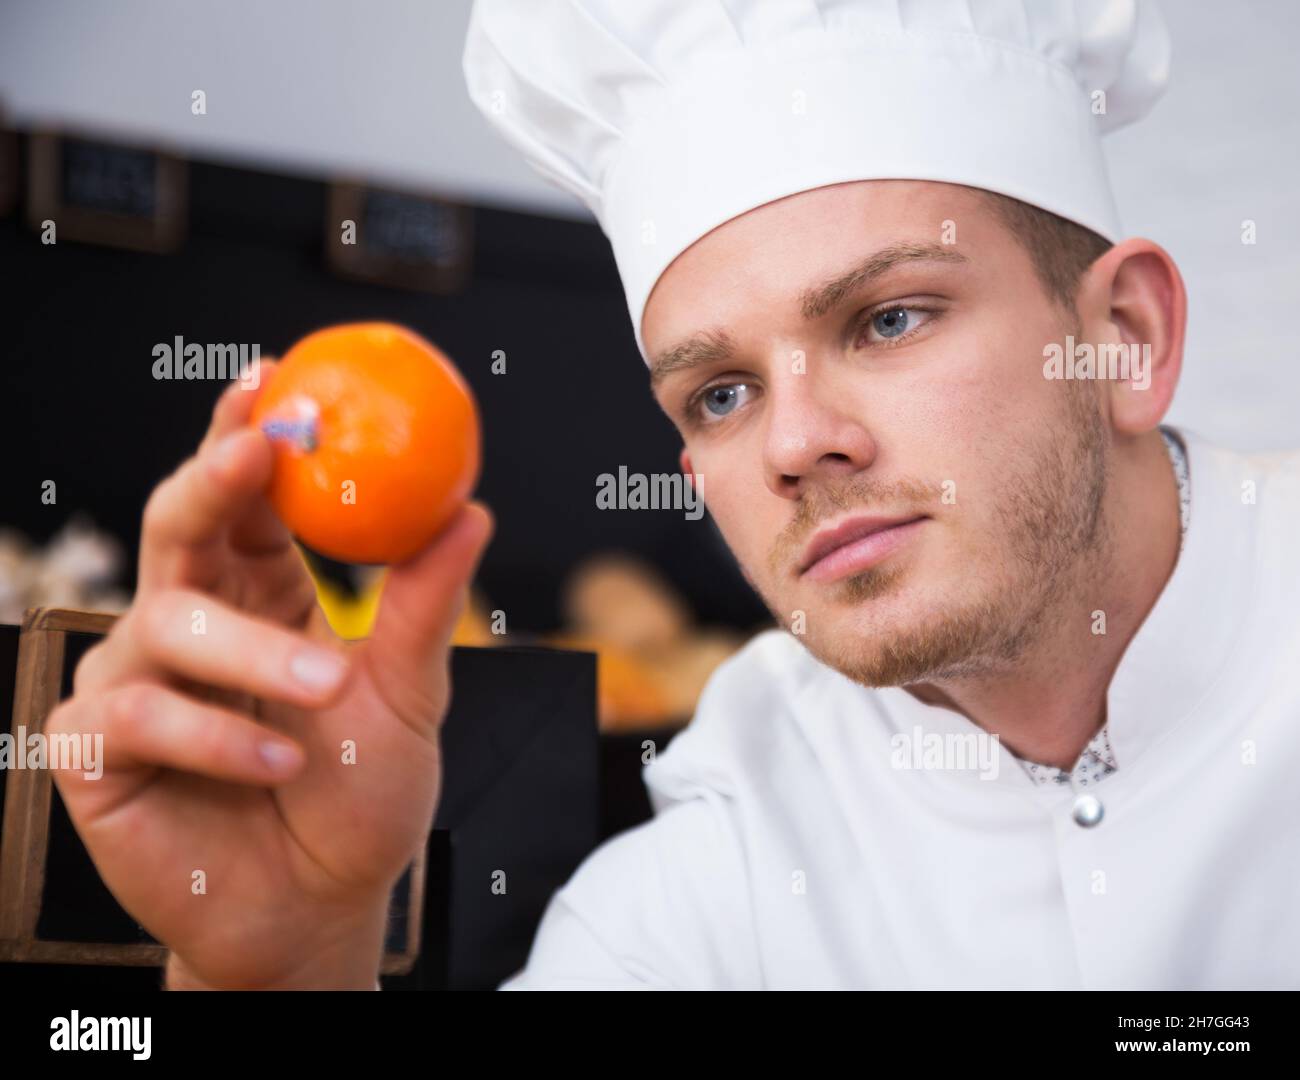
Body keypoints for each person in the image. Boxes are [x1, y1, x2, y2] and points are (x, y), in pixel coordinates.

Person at [48, 0, 1300, 990]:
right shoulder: (734, 851)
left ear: (1122, 340)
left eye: (890, 317)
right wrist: (282, 960)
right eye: (719, 394)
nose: (795, 443)